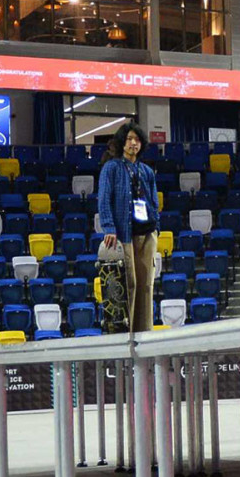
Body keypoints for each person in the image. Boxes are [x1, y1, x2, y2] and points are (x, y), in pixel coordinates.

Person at [98, 123, 159, 333]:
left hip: (147, 234)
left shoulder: (147, 171)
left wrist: (156, 228)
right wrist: (108, 227)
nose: (134, 143)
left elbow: (154, 202)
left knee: (146, 286)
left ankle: (146, 332)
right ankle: (128, 334)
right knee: (129, 285)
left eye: (137, 140)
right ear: (122, 142)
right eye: (130, 139)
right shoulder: (112, 167)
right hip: (124, 234)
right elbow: (104, 198)